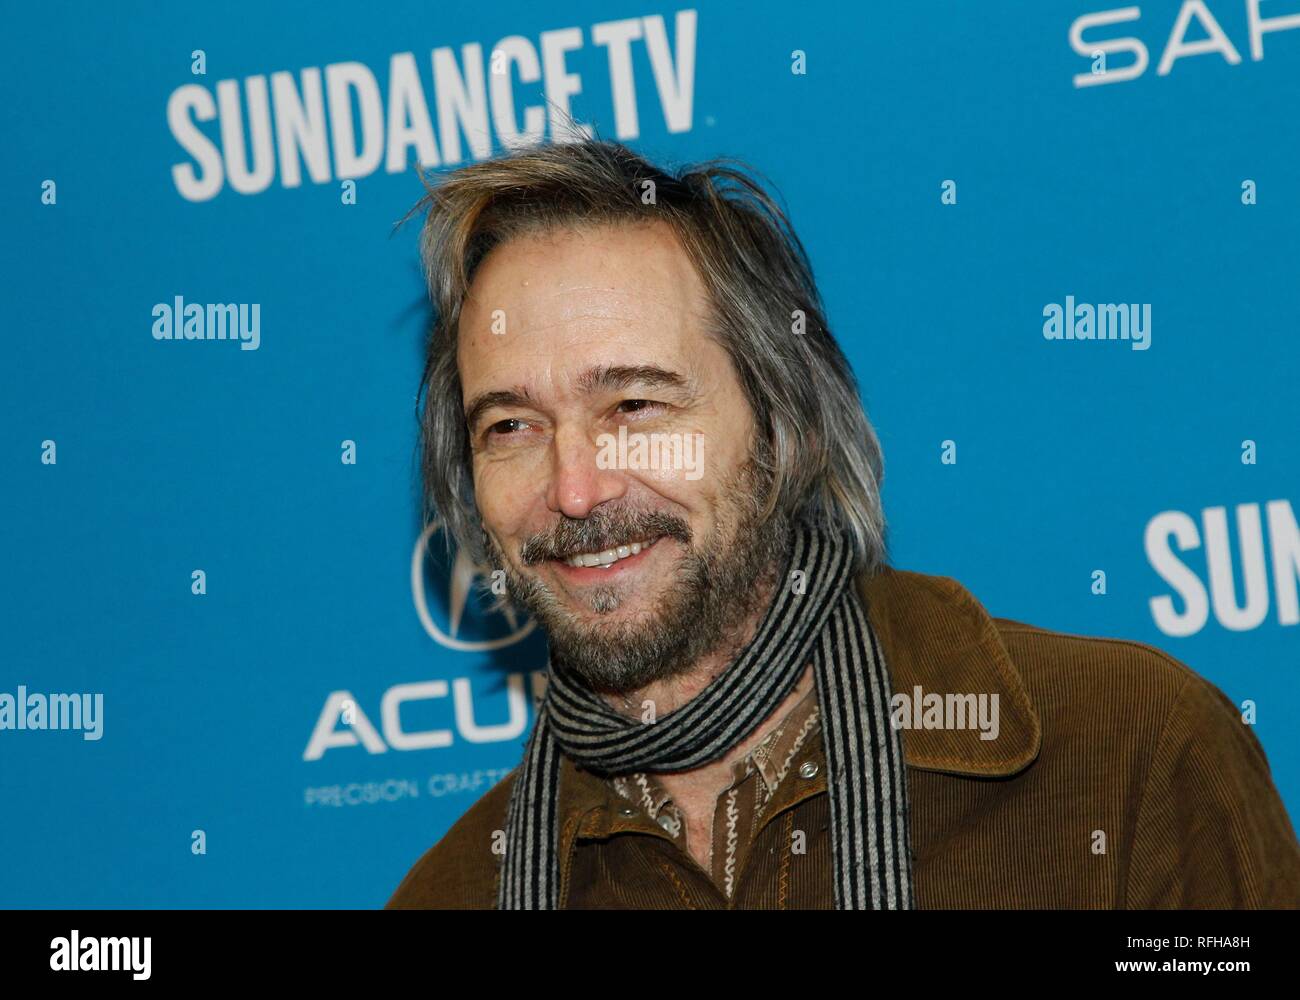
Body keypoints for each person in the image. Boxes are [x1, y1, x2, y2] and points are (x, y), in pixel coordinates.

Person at [386, 139, 1299, 909]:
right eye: (510, 426)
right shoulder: (455, 890)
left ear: (787, 427)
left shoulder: (1129, 760)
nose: (575, 488)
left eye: (635, 404)